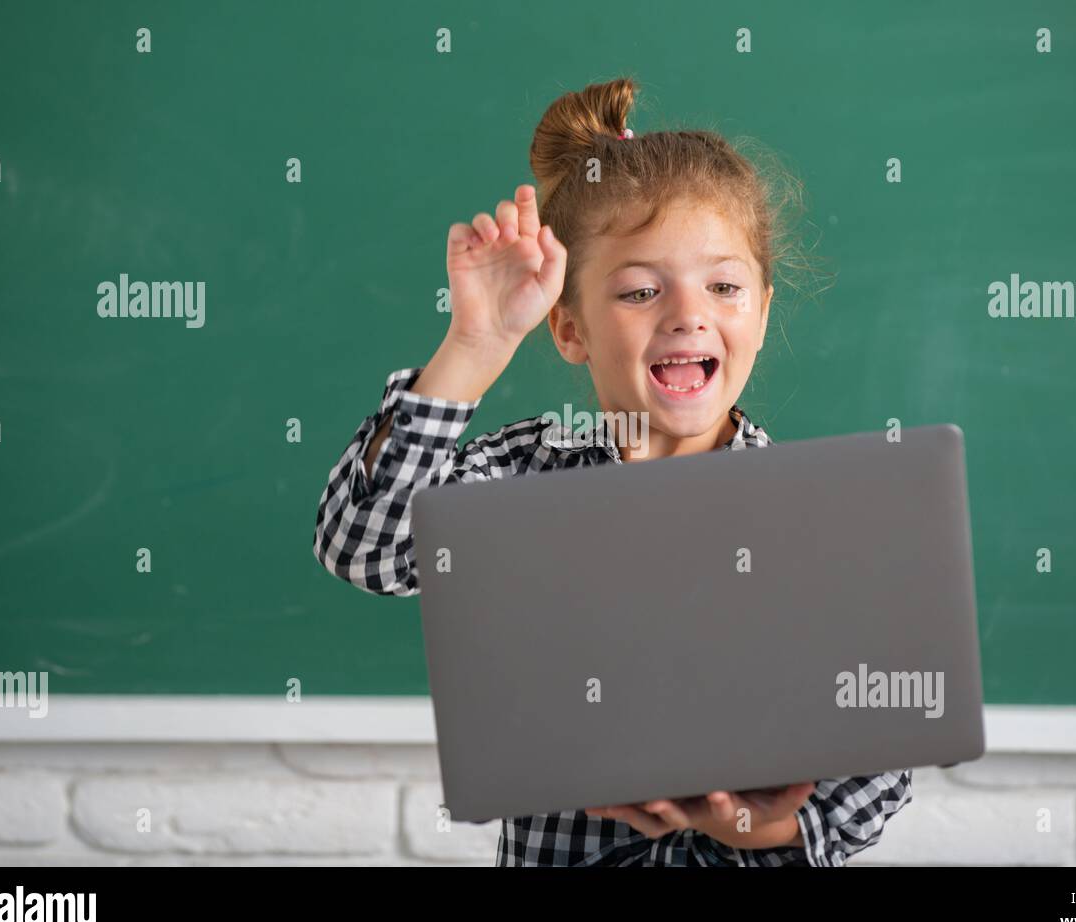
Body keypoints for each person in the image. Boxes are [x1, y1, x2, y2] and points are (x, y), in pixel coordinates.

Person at [313, 76, 912, 866]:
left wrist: (741, 821)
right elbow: (364, 547)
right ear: (569, 328)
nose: (688, 314)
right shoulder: (525, 479)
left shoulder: (814, 524)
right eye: (639, 290)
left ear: (761, 314)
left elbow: (879, 766)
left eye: (724, 286)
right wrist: (476, 344)